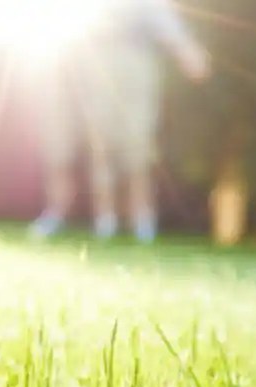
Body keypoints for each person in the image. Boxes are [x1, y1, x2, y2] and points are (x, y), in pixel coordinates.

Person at [30, 0, 211, 243]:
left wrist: (186, 48)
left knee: (138, 144)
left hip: (135, 60)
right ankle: (106, 221)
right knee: (101, 144)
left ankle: (142, 220)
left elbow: (161, 16)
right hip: (96, 60)